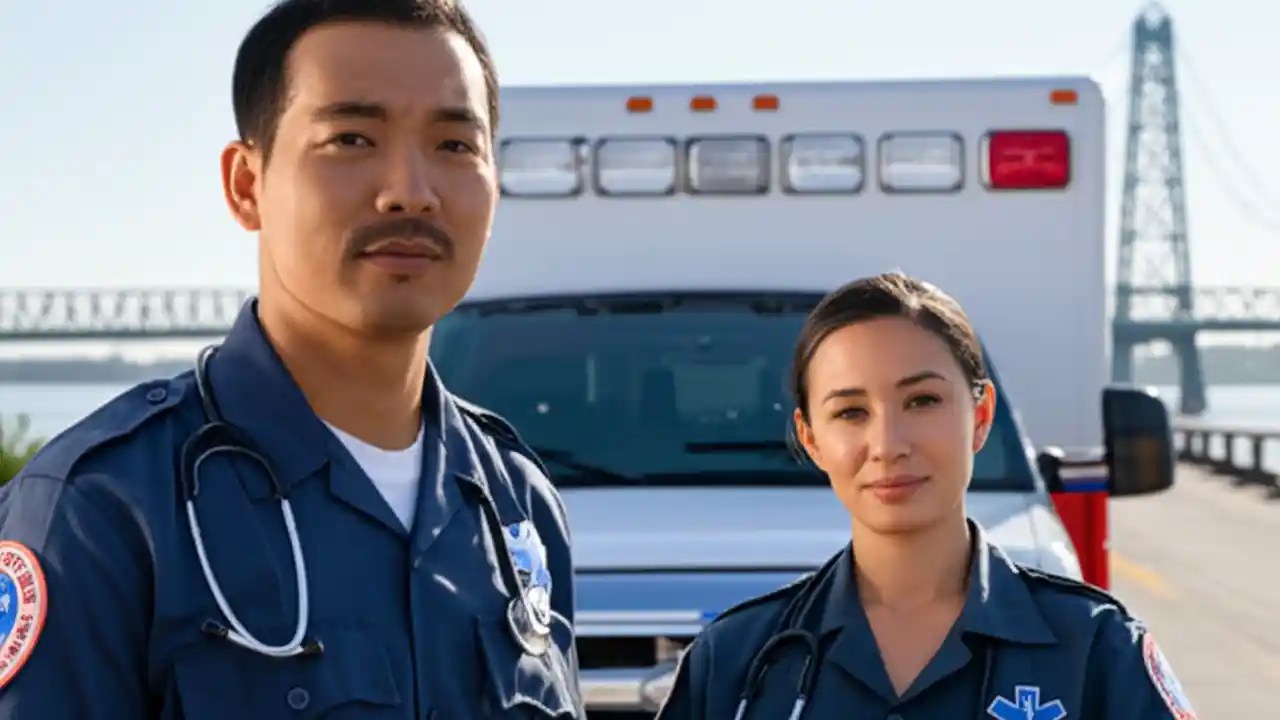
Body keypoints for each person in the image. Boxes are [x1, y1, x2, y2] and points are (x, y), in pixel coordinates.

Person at [0, 1, 585, 717]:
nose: (410, 191)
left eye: (455, 146)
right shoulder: (104, 507)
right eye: (351, 138)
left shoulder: (515, 503)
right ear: (248, 185)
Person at [655, 271, 1197, 720]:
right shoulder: (732, 664)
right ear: (811, 438)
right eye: (850, 412)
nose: (888, 445)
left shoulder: (1097, 651)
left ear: (979, 417)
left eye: (922, 401)